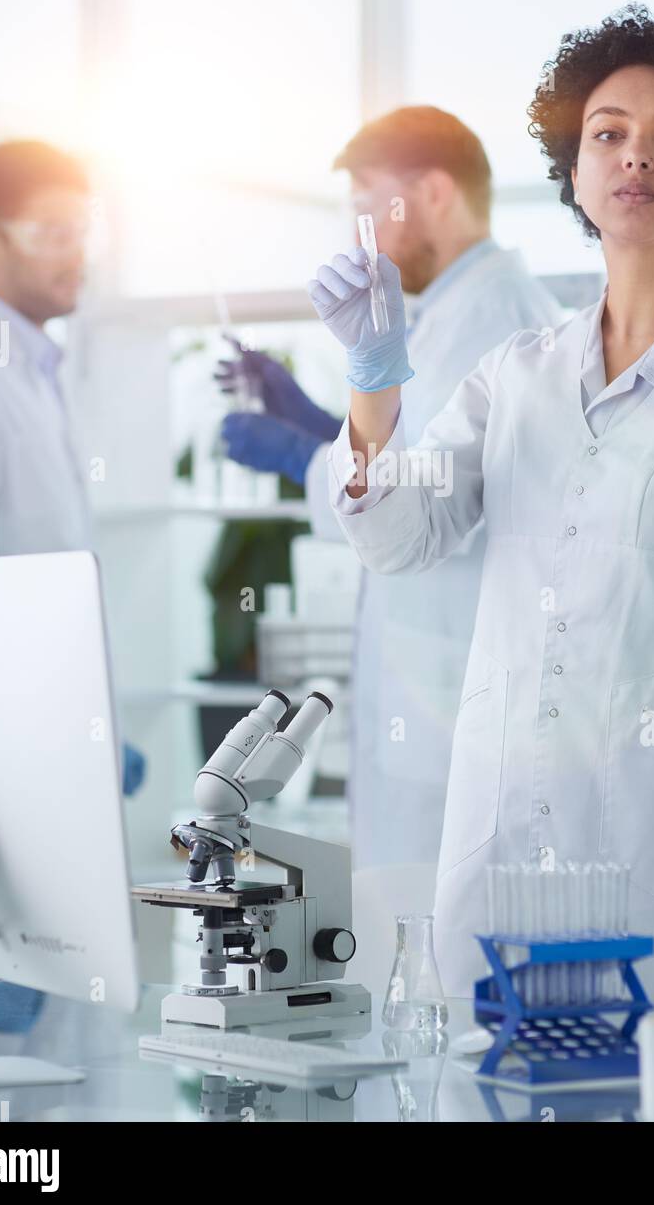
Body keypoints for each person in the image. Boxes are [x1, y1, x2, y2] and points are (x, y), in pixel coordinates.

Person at [305, 5, 654, 1003]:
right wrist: (373, 380)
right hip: (501, 848)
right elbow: (401, 536)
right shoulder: (514, 375)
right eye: (607, 133)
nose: (634, 155)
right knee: (487, 1081)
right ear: (574, 173)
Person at [217, 108, 563, 869]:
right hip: (427, 688)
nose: (359, 232)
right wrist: (315, 425)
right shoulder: (454, 311)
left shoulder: (495, 318)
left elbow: (420, 501)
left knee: (430, 947)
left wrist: (297, 455)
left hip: (452, 705)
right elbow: (411, 456)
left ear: (434, 193)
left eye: (370, 203)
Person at [0, 140, 144, 792]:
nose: (76, 255)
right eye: (53, 234)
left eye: (82, 232)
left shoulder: (39, 372)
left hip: (58, 723)